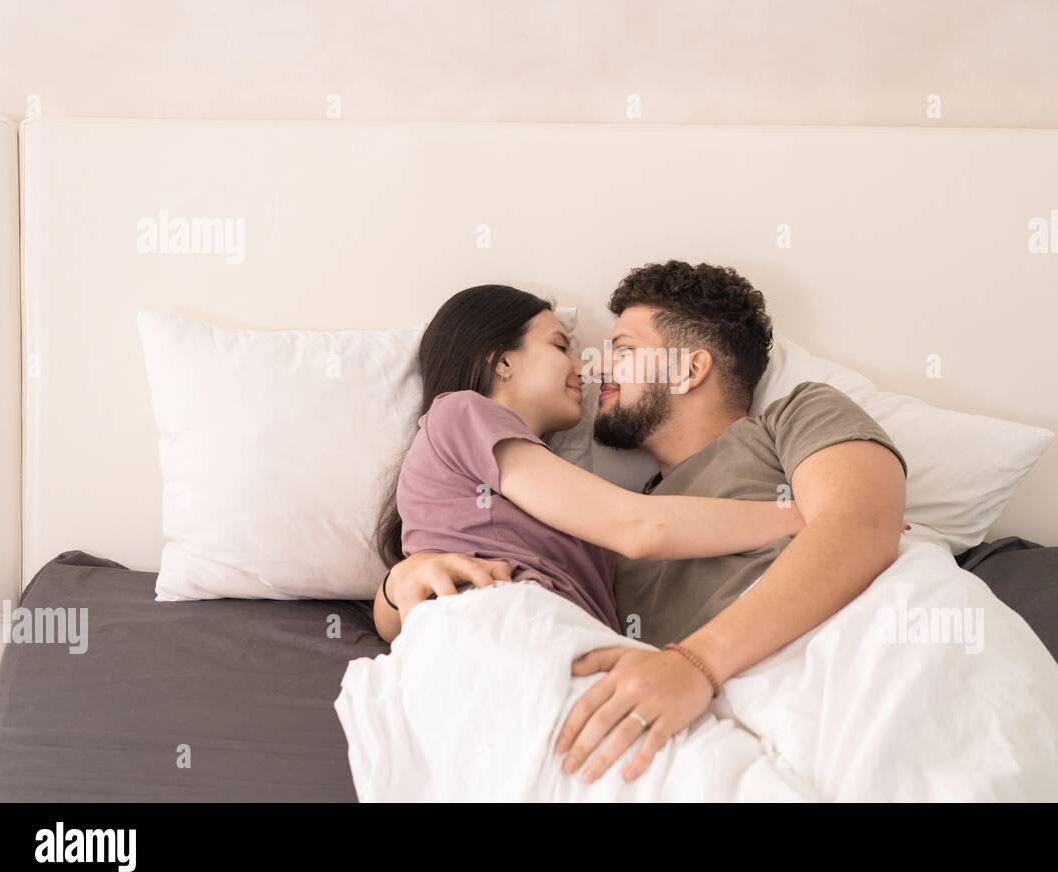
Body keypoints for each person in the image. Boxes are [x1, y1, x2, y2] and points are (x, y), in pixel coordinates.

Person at [392, 261, 909, 786]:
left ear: (689, 370)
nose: (593, 369)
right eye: (568, 348)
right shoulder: (599, 531)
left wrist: (695, 665)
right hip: (710, 727)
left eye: (623, 350)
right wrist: (396, 585)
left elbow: (860, 527)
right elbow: (617, 534)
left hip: (857, 660)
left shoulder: (796, 415)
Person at [371, 283, 808, 645]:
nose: (586, 369)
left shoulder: (550, 487)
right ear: (503, 360)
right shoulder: (462, 413)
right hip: (511, 633)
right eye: (561, 345)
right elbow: (639, 527)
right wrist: (805, 515)